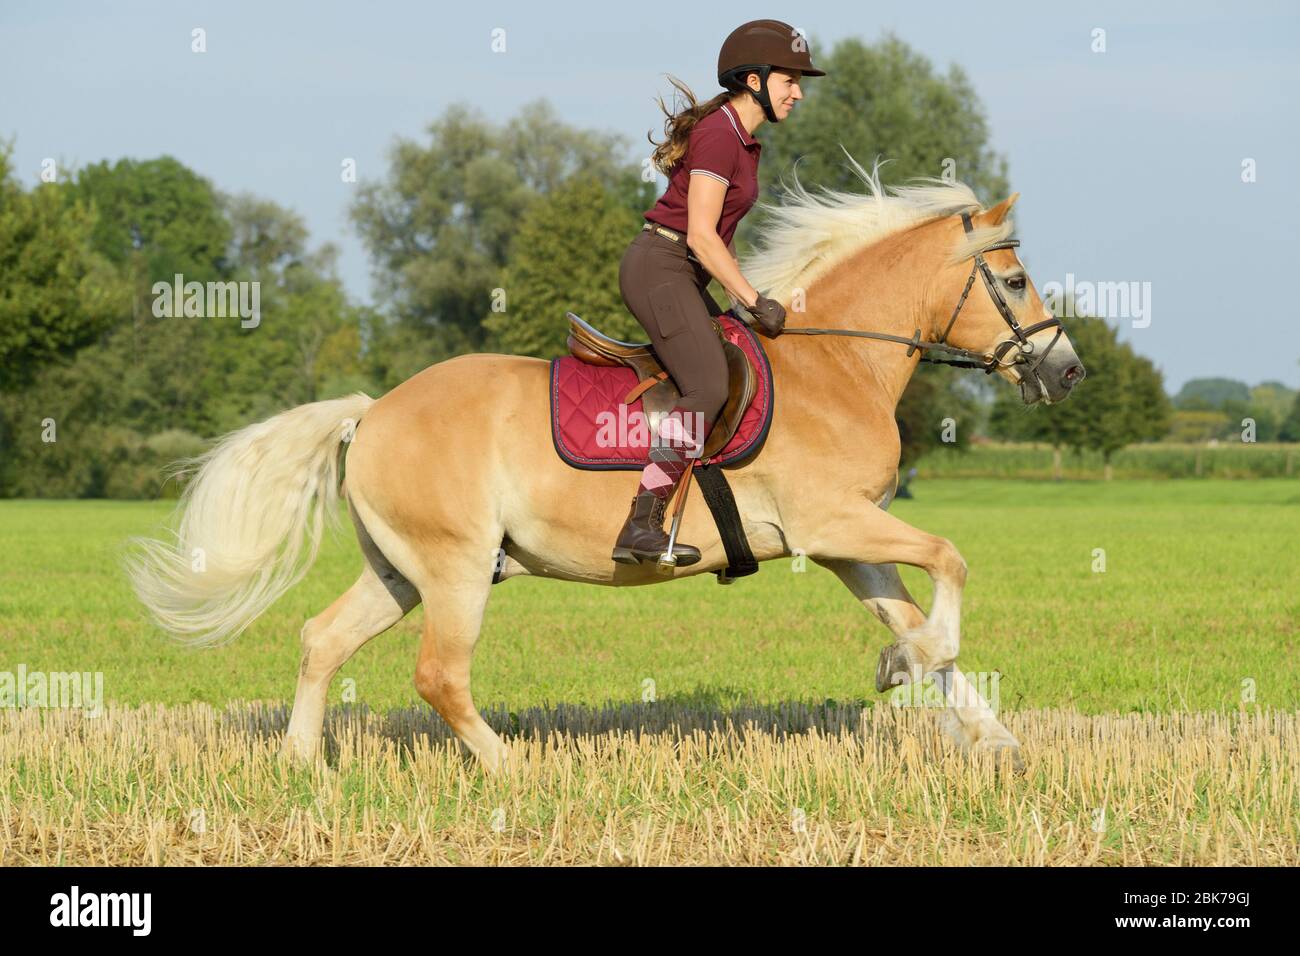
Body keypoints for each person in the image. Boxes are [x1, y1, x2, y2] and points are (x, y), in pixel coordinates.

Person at [611, 18, 825, 567]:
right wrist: (753, 300)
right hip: (661, 267)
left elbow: (709, 243)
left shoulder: (741, 139)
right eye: (790, 80)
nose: (798, 92)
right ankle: (641, 525)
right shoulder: (717, 135)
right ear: (754, 79)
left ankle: (727, 530)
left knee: (737, 365)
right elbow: (702, 235)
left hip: (682, 271)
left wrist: (736, 306)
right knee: (706, 386)